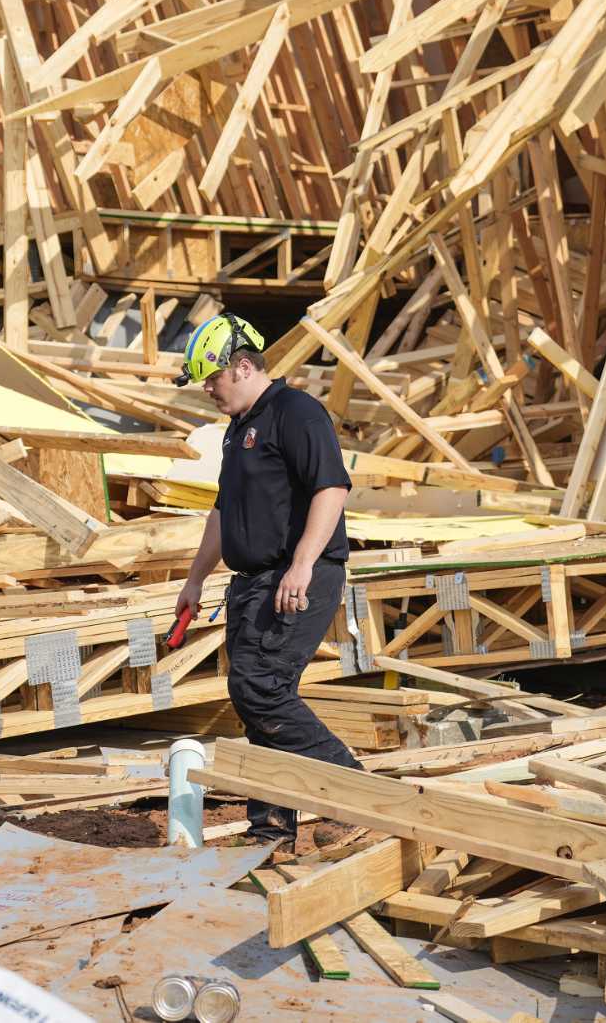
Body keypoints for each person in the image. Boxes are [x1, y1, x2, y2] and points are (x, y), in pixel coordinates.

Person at [171, 312, 361, 847]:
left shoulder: (296, 413)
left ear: (245, 366)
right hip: (253, 581)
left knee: (261, 688)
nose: (207, 389)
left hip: (299, 576)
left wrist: (301, 564)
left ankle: (352, 792)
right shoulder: (238, 431)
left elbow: (331, 489)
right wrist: (194, 580)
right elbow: (221, 512)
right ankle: (271, 826)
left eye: (212, 377)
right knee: (253, 696)